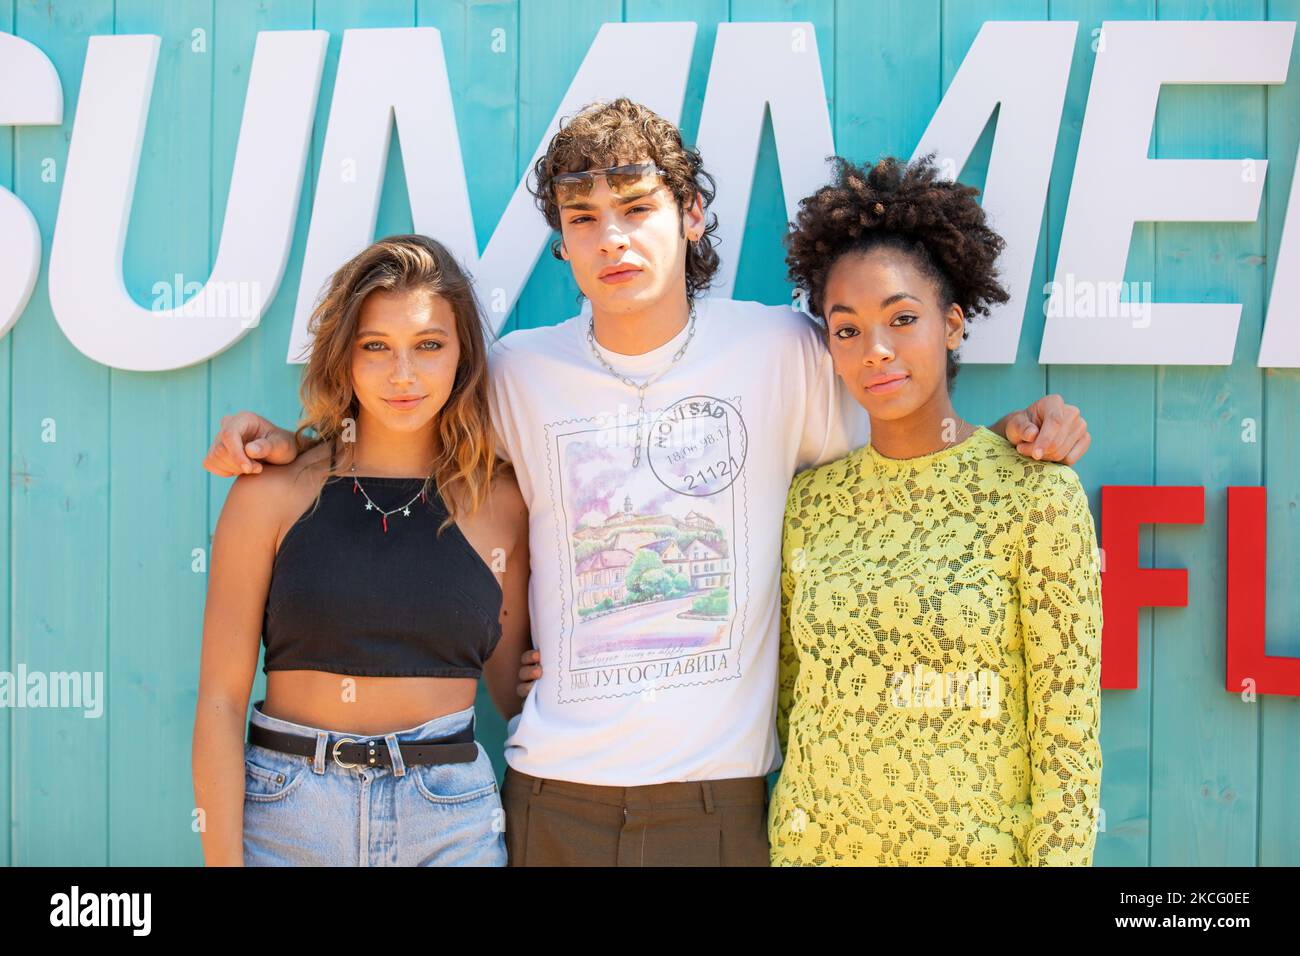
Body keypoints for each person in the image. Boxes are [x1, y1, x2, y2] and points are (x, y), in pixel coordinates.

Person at [201, 98, 1091, 867]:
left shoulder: (785, 350)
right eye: (582, 217)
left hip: (721, 805)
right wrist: (298, 442)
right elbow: (403, 424)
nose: (612, 237)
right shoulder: (512, 373)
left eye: (635, 206)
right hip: (550, 796)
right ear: (560, 240)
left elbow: (906, 417)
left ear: (693, 213)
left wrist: (1017, 432)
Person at [768, 155, 1103, 866]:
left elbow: (1067, 741)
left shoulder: (1035, 495)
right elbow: (794, 703)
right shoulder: (810, 503)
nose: (877, 351)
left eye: (903, 318)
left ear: (952, 325)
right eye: (848, 329)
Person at [191, 235, 530, 866]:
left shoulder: (502, 502)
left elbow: (514, 694)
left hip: (451, 819)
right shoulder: (270, 495)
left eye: (429, 345)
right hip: (288, 811)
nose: (404, 374)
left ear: (463, 356)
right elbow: (219, 700)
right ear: (343, 356)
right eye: (376, 347)